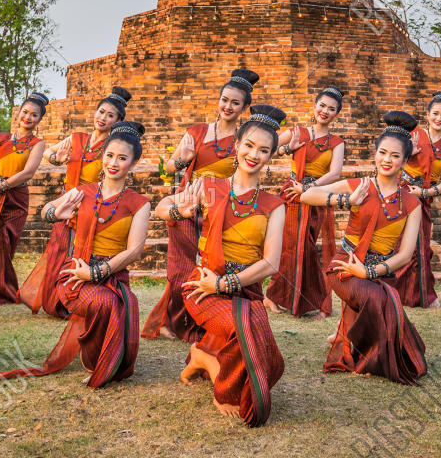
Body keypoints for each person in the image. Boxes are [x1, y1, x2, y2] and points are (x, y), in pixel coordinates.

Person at [0, 121, 152, 388]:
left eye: (122, 158)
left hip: (111, 276)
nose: (113, 163)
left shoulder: (140, 203)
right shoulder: (82, 192)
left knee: (122, 302)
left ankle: (107, 357)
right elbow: (46, 211)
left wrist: (97, 272)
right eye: (109, 155)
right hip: (73, 275)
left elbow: (134, 250)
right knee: (105, 304)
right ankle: (95, 360)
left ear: (133, 164)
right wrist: (57, 214)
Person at [156, 105, 289, 426]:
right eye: (248, 145)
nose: (254, 154)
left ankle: (204, 354)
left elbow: (270, 263)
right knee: (246, 329)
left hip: (242, 291)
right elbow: (162, 206)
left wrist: (226, 284)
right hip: (201, 288)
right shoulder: (209, 187)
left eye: (263, 150)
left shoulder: (274, 205)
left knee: (262, 344)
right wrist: (180, 211)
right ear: (236, 145)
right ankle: (223, 385)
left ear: (271, 157)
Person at [299, 110, 427, 384]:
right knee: (379, 300)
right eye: (382, 152)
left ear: (405, 160)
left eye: (395, 155)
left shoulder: (412, 203)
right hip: (345, 266)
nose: (387, 160)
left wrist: (370, 272)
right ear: (375, 154)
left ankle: (354, 341)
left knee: (383, 300)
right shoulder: (361, 186)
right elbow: (308, 194)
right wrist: (345, 201)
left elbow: (405, 254)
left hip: (380, 271)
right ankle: (367, 354)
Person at [142, 69, 259, 341]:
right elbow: (168, 168)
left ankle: (204, 320)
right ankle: (172, 322)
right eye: (224, 100)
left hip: (222, 211)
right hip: (187, 205)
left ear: (244, 108)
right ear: (218, 100)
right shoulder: (196, 132)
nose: (228, 107)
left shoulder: (245, 141)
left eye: (235, 103)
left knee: (212, 266)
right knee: (180, 267)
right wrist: (184, 159)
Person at [19, 86, 133, 319]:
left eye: (110, 116)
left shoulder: (111, 149)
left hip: (92, 206)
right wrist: (57, 158)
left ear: (118, 120)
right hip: (66, 203)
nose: (103, 118)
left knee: (79, 252)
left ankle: (73, 300)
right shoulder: (78, 138)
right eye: (101, 112)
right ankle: (55, 300)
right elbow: (50, 154)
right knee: (58, 251)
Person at [267, 85, 346, 319]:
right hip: (291, 195)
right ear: (314, 106)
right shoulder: (297, 132)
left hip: (316, 197)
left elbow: (335, 173)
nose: (325, 111)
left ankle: (318, 302)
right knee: (288, 247)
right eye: (322, 105)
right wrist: (284, 149)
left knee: (309, 249)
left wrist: (308, 187)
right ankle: (273, 296)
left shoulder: (337, 142)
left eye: (331, 109)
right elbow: (264, 147)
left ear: (336, 114)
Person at [0, 91, 49, 306]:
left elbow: (27, 173)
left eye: (34, 115)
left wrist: (1, 186)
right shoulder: (2, 138)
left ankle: (6, 291)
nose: (28, 117)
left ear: (39, 119)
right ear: (18, 113)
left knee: (6, 242)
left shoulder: (37, 143)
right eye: (25, 112)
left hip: (15, 198)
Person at [397, 89, 441, 309]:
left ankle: (420, 294)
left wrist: (425, 193)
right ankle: (393, 292)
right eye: (435, 113)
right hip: (402, 193)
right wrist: (409, 152)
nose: (439, 119)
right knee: (397, 242)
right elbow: (391, 161)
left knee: (421, 246)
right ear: (427, 114)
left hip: (424, 197)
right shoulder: (413, 135)